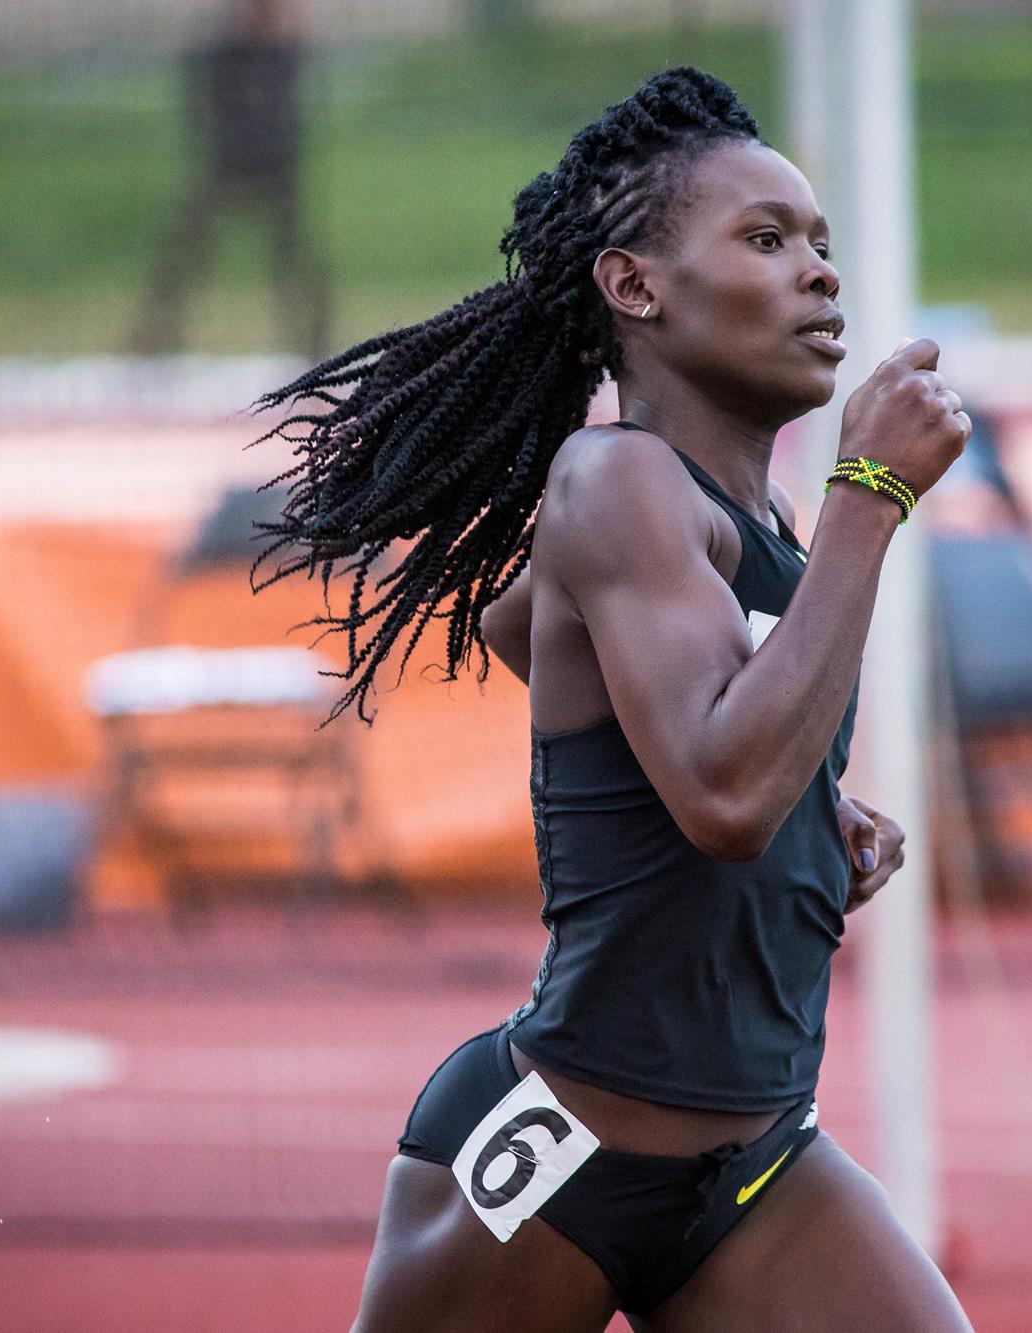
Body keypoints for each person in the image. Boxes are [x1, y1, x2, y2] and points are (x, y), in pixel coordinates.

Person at [251, 67, 974, 1332]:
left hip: (754, 1164)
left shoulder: (753, 520)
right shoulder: (614, 478)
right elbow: (724, 801)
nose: (820, 274)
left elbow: (524, 625)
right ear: (634, 287)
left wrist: (809, 802)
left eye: (818, 243)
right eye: (766, 240)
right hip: (565, 1151)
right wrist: (870, 493)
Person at [130, 0, 333, 360]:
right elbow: (206, 107)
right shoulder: (227, 51)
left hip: (272, 168)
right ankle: (157, 336)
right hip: (228, 163)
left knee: (295, 259)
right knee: (185, 250)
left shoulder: (280, 53)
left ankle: (314, 342)